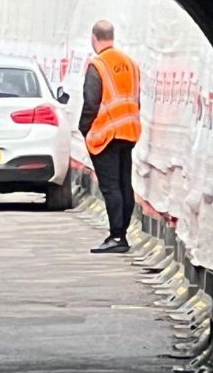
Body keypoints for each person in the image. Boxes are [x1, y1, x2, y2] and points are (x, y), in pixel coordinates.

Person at [78, 21, 142, 254]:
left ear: (94, 38)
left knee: (111, 186)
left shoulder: (98, 64)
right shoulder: (131, 63)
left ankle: (117, 236)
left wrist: (85, 130)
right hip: (129, 131)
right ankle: (121, 233)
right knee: (125, 184)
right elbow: (137, 98)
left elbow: (91, 102)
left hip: (106, 134)